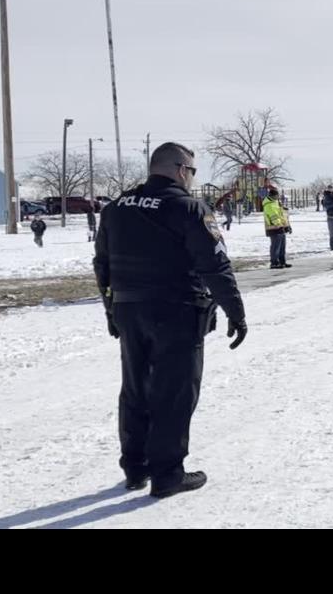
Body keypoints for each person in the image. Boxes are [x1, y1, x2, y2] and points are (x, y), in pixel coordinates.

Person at [93, 142, 247, 498]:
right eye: (192, 172)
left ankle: (135, 466)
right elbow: (215, 264)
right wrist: (235, 312)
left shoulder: (117, 208)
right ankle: (168, 473)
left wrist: (111, 310)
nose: (192, 178)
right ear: (180, 170)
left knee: (135, 389)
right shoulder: (189, 208)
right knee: (174, 392)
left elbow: (102, 264)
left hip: (130, 310)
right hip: (176, 310)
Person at [264, 187, 291, 269]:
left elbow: (282, 215)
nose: (278, 197)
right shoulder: (268, 204)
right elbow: (274, 217)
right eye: (276, 195)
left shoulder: (276, 203)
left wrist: (287, 226)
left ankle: (282, 261)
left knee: (282, 246)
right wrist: (279, 225)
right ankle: (274, 263)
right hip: (274, 228)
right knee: (275, 246)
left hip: (280, 227)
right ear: (272, 196)